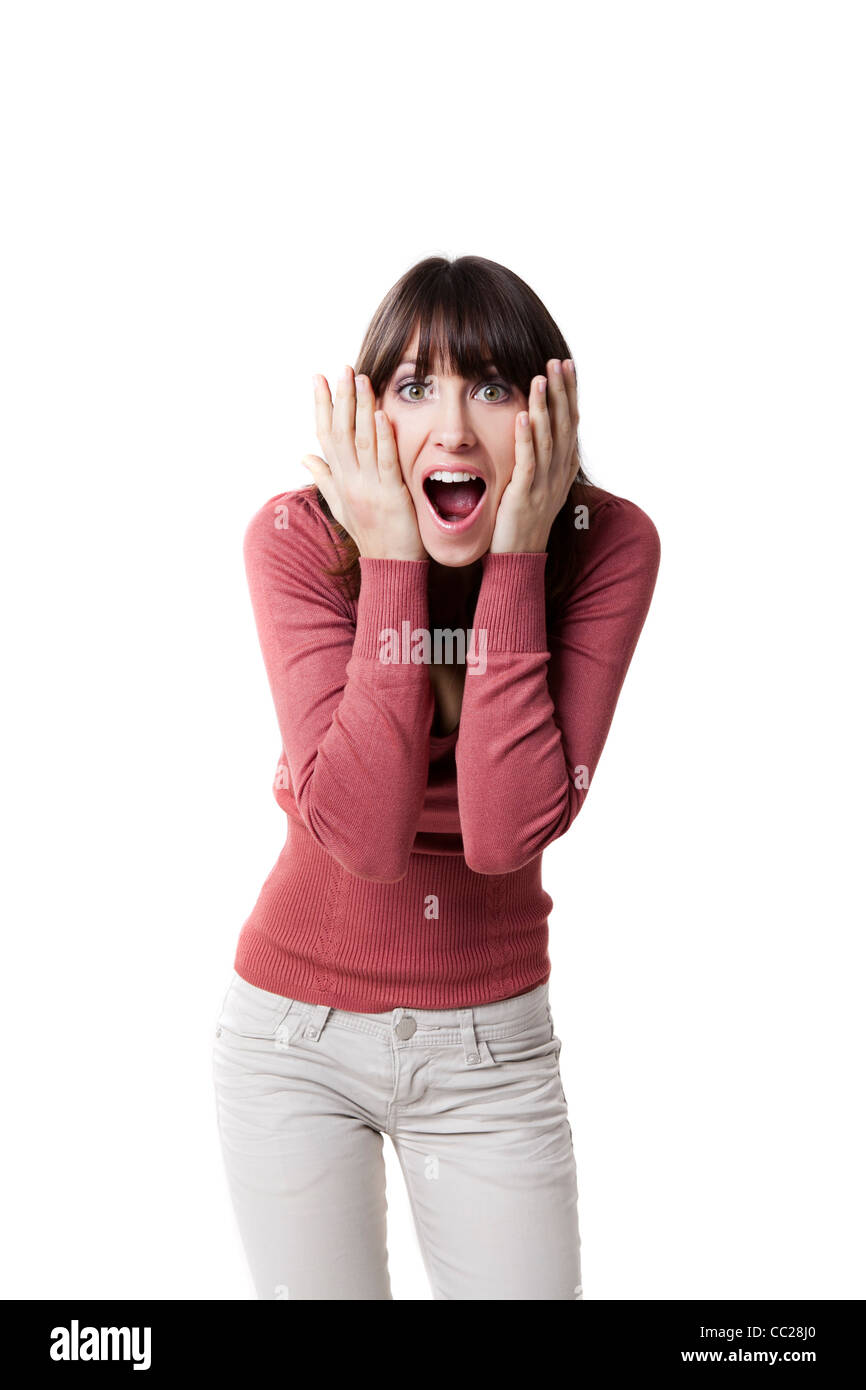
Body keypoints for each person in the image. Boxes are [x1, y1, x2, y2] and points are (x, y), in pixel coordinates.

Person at [211, 254, 661, 1300]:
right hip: (291, 1039)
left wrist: (515, 551)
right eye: (415, 386)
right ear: (371, 418)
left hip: (490, 1054)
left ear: (549, 409)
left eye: (493, 386)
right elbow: (363, 836)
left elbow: (506, 833)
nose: (454, 429)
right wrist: (388, 559)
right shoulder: (294, 538)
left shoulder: (605, 547)